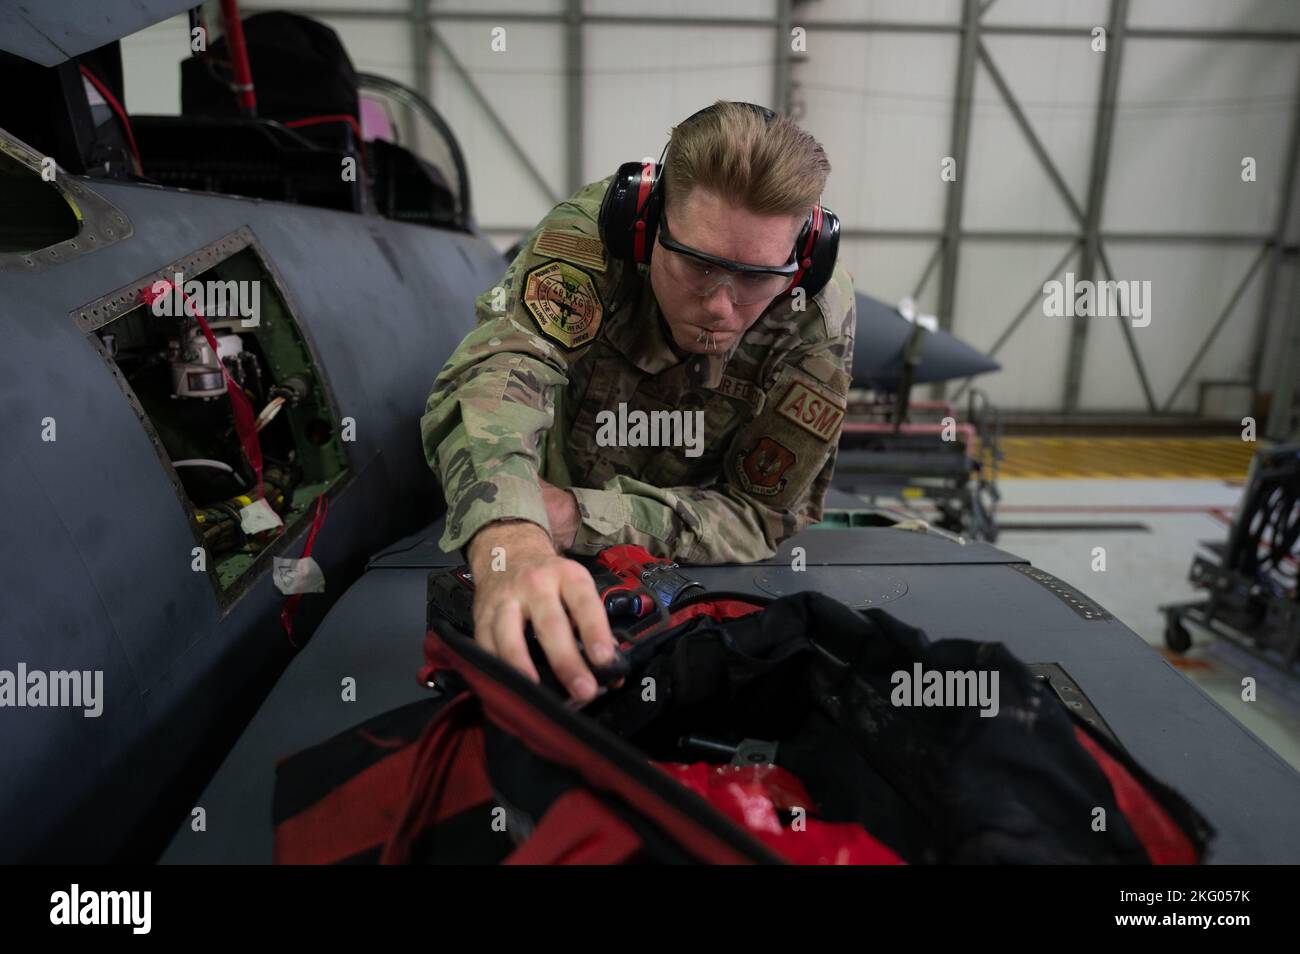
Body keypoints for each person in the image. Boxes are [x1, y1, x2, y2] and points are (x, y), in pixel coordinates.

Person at [421, 100, 855, 702]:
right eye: (698, 265)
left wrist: (578, 515)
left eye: (756, 278)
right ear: (645, 228)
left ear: (801, 263)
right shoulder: (588, 241)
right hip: (537, 529)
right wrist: (510, 539)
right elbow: (502, 371)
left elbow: (758, 515)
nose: (721, 307)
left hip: (686, 566)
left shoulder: (814, 316)